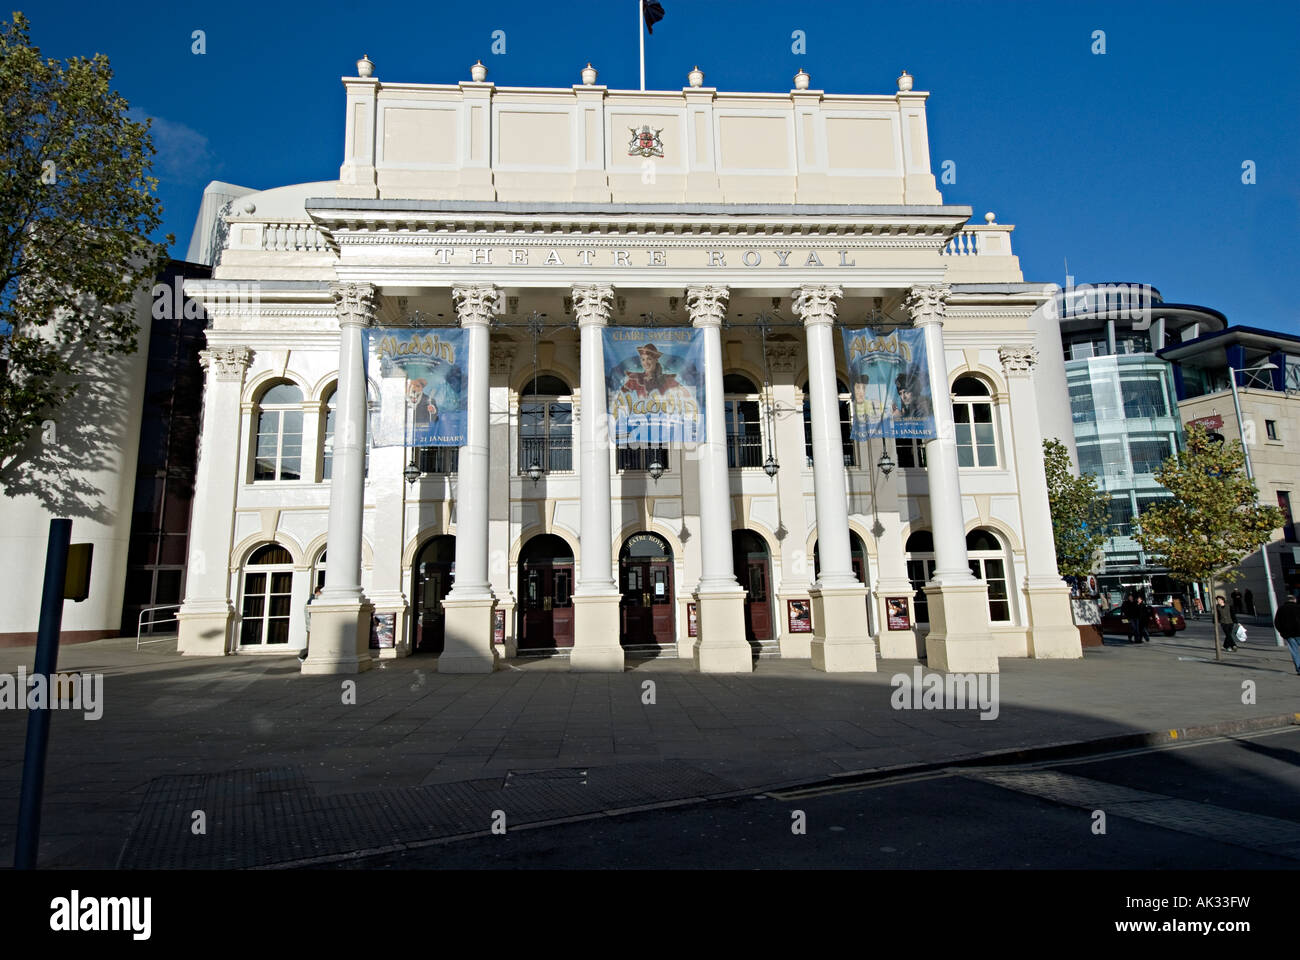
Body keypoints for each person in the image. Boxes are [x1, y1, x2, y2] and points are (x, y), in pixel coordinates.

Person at [1277, 594, 1300, 675]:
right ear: (1294, 600)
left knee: (1295, 651)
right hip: (1298, 632)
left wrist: (1282, 632)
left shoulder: (1281, 609)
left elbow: (1277, 622)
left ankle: (1299, 669)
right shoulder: (1298, 607)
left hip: (1288, 634)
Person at [300, 586, 322, 662]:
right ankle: (302, 656)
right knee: (312, 645)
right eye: (321, 592)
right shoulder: (313, 600)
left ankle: (303, 657)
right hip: (312, 626)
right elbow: (311, 613)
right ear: (318, 592)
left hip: (310, 625)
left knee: (311, 644)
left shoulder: (312, 599)